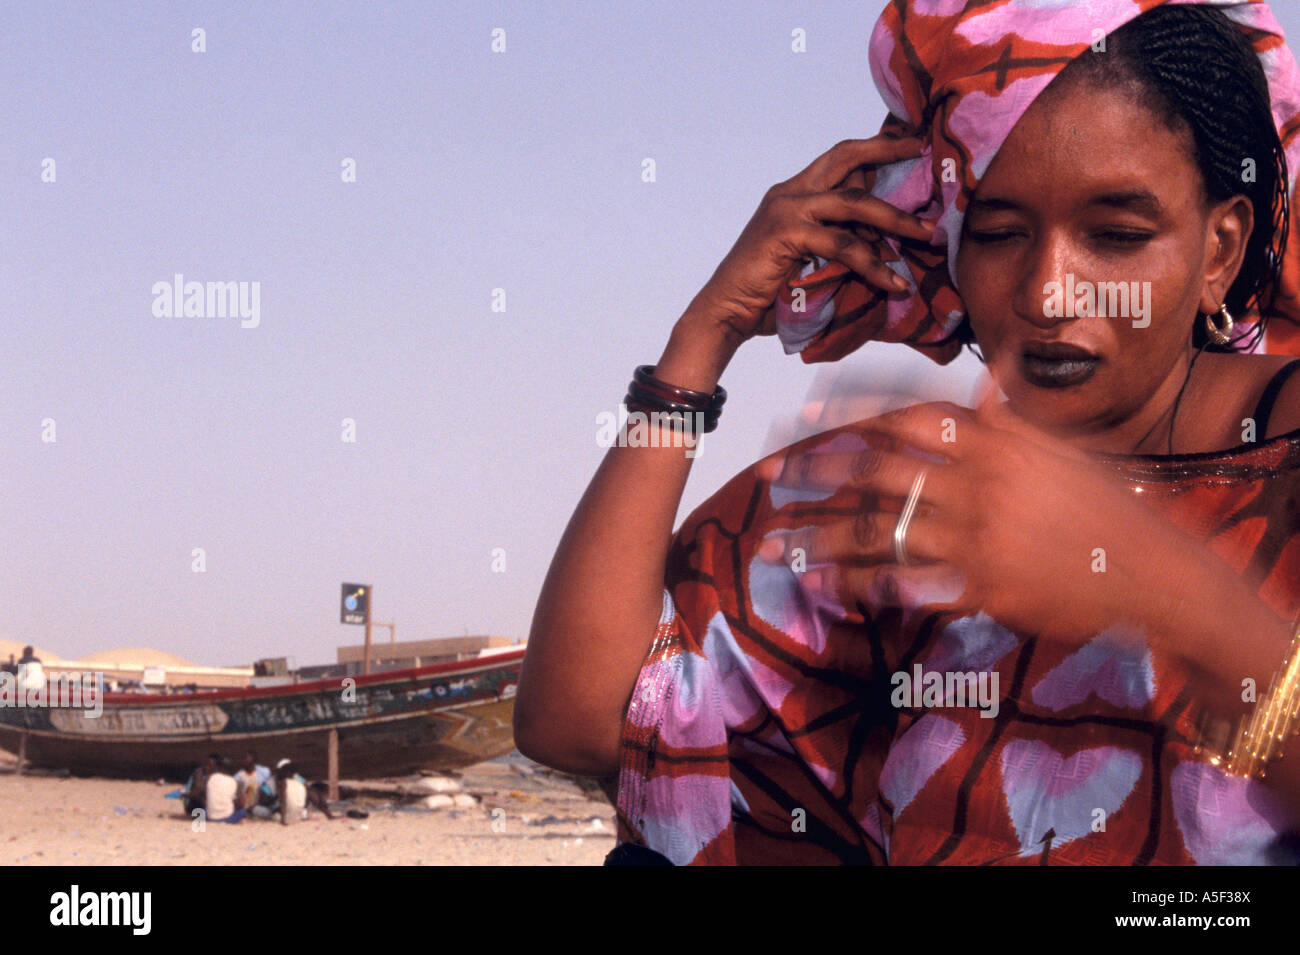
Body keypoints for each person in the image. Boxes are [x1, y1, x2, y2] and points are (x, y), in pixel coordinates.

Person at [517, 0, 1300, 865]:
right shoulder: (922, 485)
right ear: (955, 249)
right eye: (1000, 233)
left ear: (1220, 250)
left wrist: (1145, 579)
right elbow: (578, 718)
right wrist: (702, 339)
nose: (1048, 292)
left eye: (1116, 234)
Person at [204, 757, 245, 824]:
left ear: (218, 768)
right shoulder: (235, 782)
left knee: (203, 810)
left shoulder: (209, 778)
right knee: (242, 811)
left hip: (209, 816)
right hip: (227, 818)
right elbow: (241, 803)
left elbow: (202, 794)